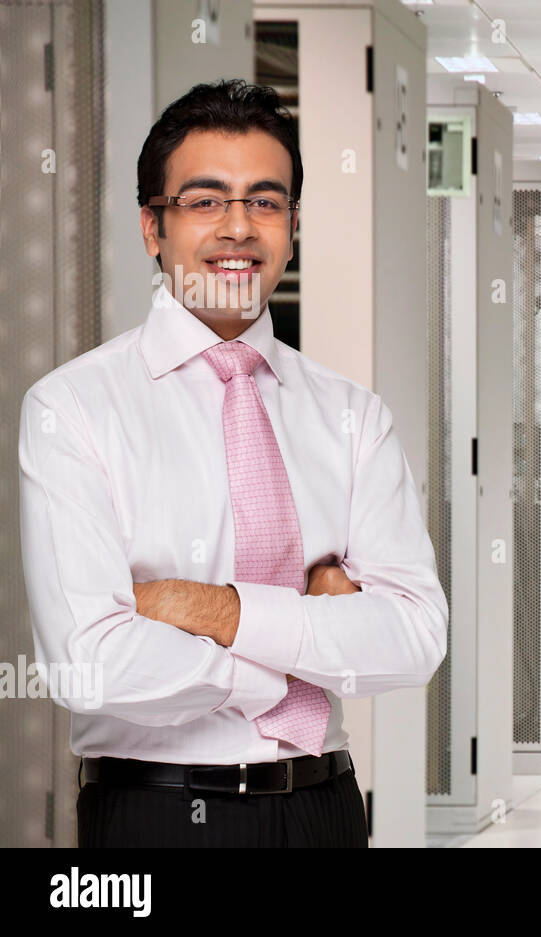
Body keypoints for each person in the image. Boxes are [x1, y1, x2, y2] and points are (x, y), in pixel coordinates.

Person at [17, 79, 448, 848]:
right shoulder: (73, 407)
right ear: (153, 227)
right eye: (205, 201)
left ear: (292, 227)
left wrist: (209, 610)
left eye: (266, 202)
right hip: (153, 816)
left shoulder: (353, 418)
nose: (238, 228)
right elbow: (92, 662)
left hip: (325, 807)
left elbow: (415, 636)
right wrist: (304, 644)